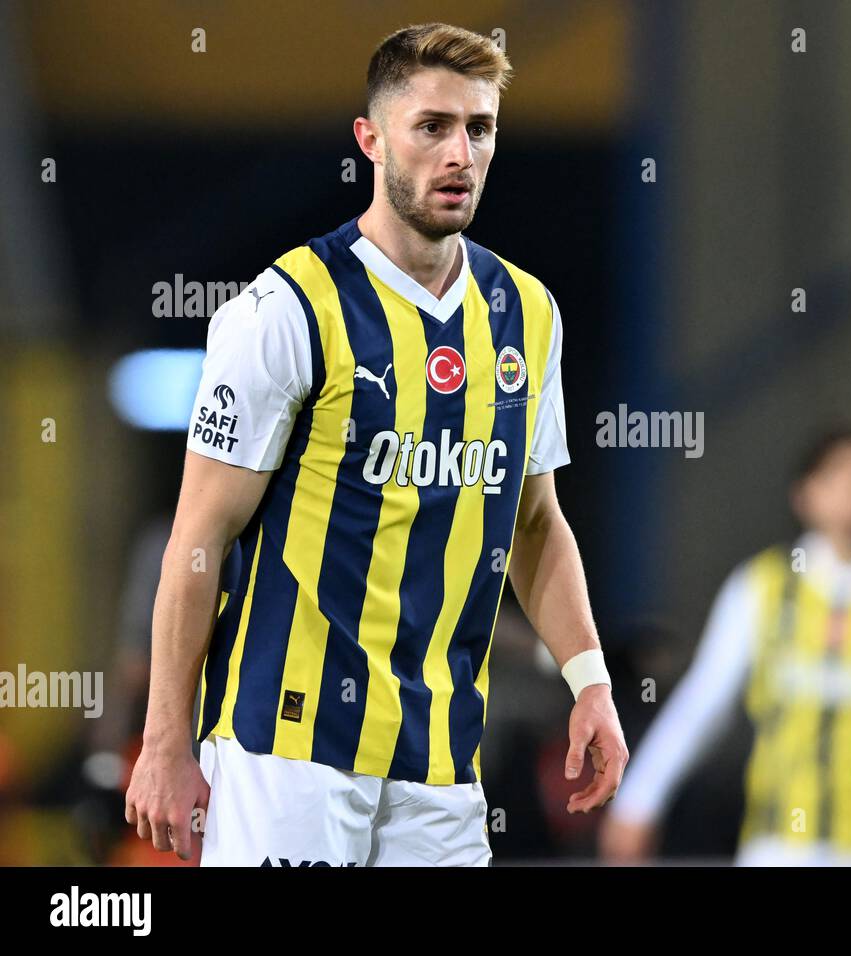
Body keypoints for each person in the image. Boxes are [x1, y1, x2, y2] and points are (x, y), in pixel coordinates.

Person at [125, 22, 628, 866]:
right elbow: (197, 540)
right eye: (432, 126)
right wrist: (166, 742)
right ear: (371, 140)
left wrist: (592, 683)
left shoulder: (528, 317)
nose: (459, 153)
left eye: (480, 128)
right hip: (285, 751)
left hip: (439, 760)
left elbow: (536, 524)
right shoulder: (285, 309)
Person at [600, 424, 851, 865]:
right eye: (839, 477)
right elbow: (703, 703)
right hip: (781, 849)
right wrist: (639, 801)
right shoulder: (760, 588)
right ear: (805, 494)